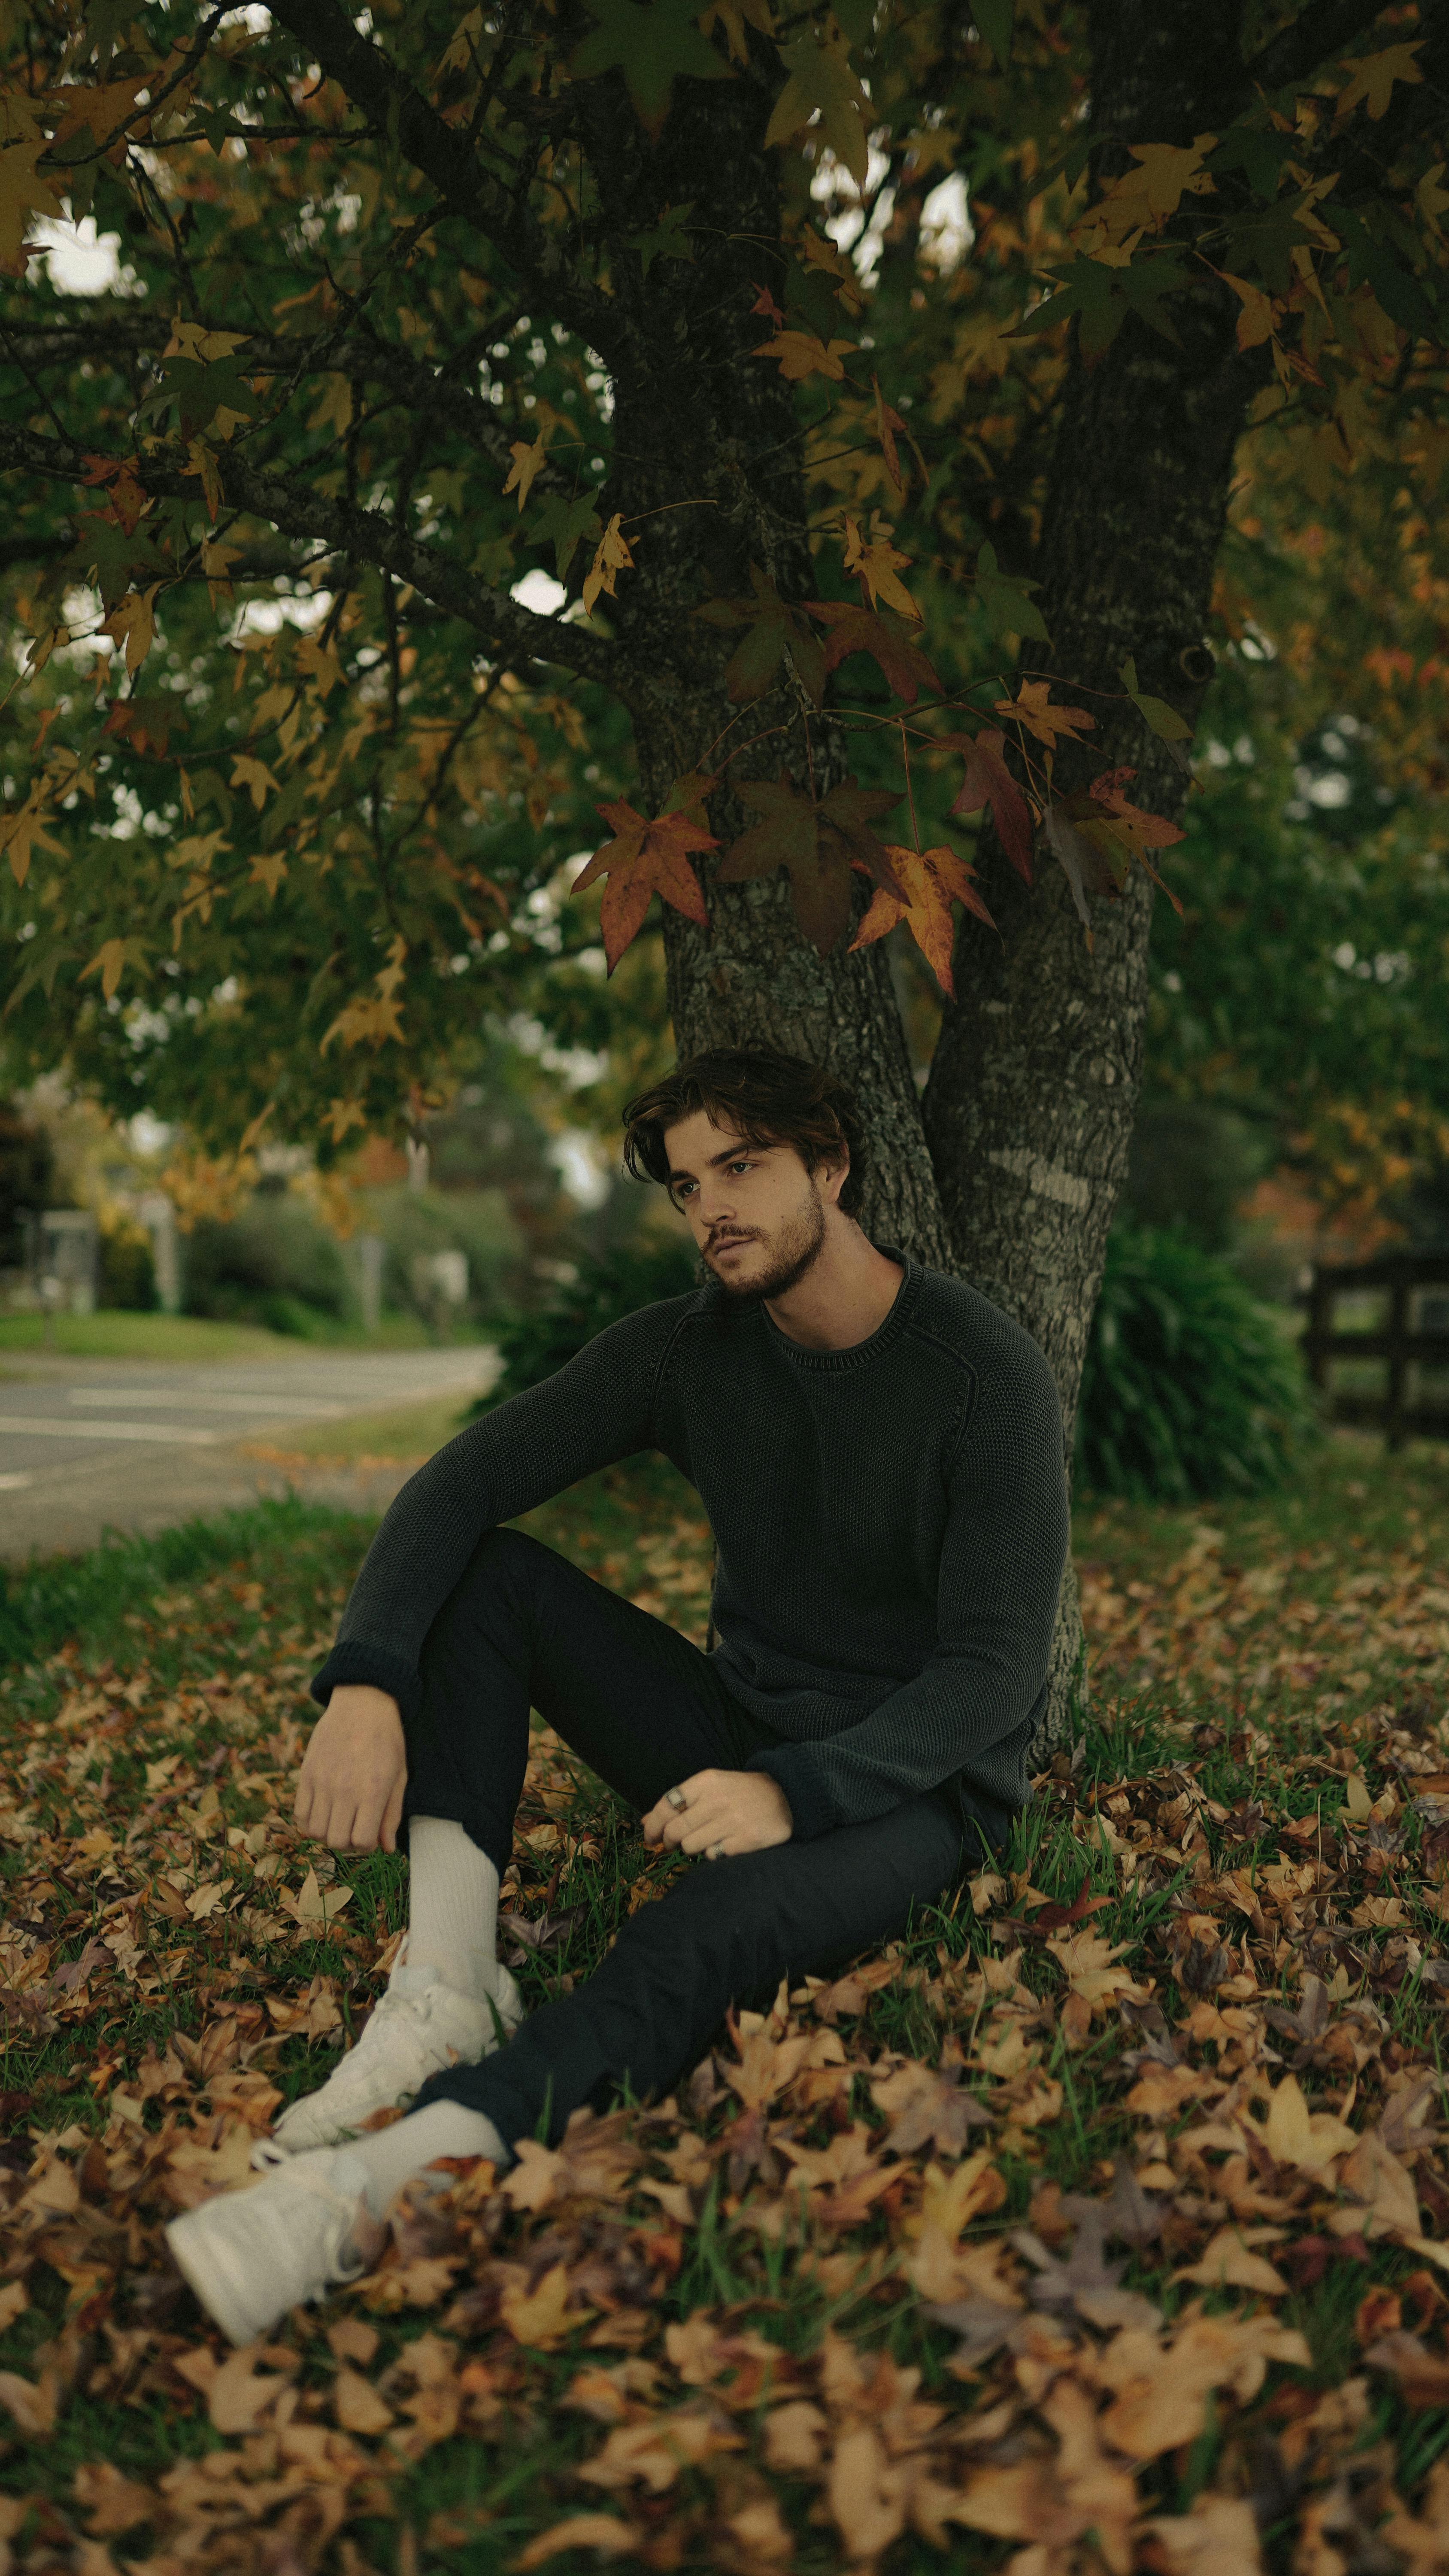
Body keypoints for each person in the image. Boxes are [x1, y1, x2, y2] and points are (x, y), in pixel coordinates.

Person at [167, 1046, 1069, 2343]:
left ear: (832, 1165)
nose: (713, 1207)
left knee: (693, 1939)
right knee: (490, 1579)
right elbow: (460, 1483)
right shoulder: (688, 1351)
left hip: (919, 1788)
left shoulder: (983, 1377)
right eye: (690, 1182)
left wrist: (796, 1793)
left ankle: (366, 2188)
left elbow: (993, 1676)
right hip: (736, 1726)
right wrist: (366, 1682)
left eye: (745, 1167)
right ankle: (447, 1984)